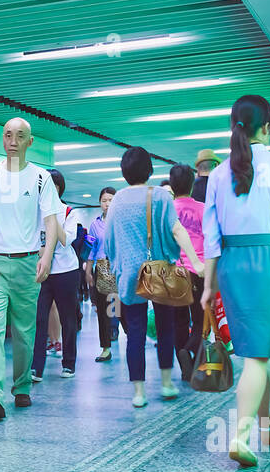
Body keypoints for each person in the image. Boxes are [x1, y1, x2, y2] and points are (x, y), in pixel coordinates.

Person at [201, 95, 270, 468]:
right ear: (268, 127)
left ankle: (264, 423)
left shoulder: (217, 174)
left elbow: (211, 236)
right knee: (258, 356)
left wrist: (208, 285)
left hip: (232, 264)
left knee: (254, 350)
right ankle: (240, 435)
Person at [0, 118, 59, 420]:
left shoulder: (40, 178)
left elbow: (51, 222)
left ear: (30, 142)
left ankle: (21, 387)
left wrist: (46, 256)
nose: (13, 141)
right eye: (8, 135)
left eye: (20, 136)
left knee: (23, 330)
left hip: (28, 263)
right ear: (2, 139)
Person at [103, 148, 201, 408]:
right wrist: (195, 261)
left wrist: (117, 265)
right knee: (166, 328)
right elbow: (176, 230)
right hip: (161, 274)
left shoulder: (118, 201)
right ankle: (167, 383)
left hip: (131, 275)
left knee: (135, 332)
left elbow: (109, 240)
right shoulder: (161, 196)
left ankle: (139, 392)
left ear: (124, 172)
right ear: (149, 169)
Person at [31, 169, 81, 381]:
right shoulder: (33, 213)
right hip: (42, 271)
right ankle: (36, 367)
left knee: (68, 318)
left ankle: (69, 364)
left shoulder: (69, 212)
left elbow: (65, 240)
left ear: (57, 189)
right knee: (39, 319)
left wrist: (52, 217)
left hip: (66, 272)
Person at [168, 163, 206, 378]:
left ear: (172, 186)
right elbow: (210, 242)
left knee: (179, 321)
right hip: (198, 271)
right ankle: (188, 350)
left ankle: (185, 369)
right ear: (192, 184)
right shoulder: (202, 209)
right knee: (199, 320)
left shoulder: (166, 210)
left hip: (174, 273)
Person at [82, 186, 119, 362]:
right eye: (104, 200)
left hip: (118, 269)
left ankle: (123, 332)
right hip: (101, 269)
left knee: (120, 307)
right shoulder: (95, 224)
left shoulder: (120, 221)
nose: (107, 204)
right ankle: (106, 348)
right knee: (103, 311)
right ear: (99, 203)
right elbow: (91, 249)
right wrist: (88, 270)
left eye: (111, 200)